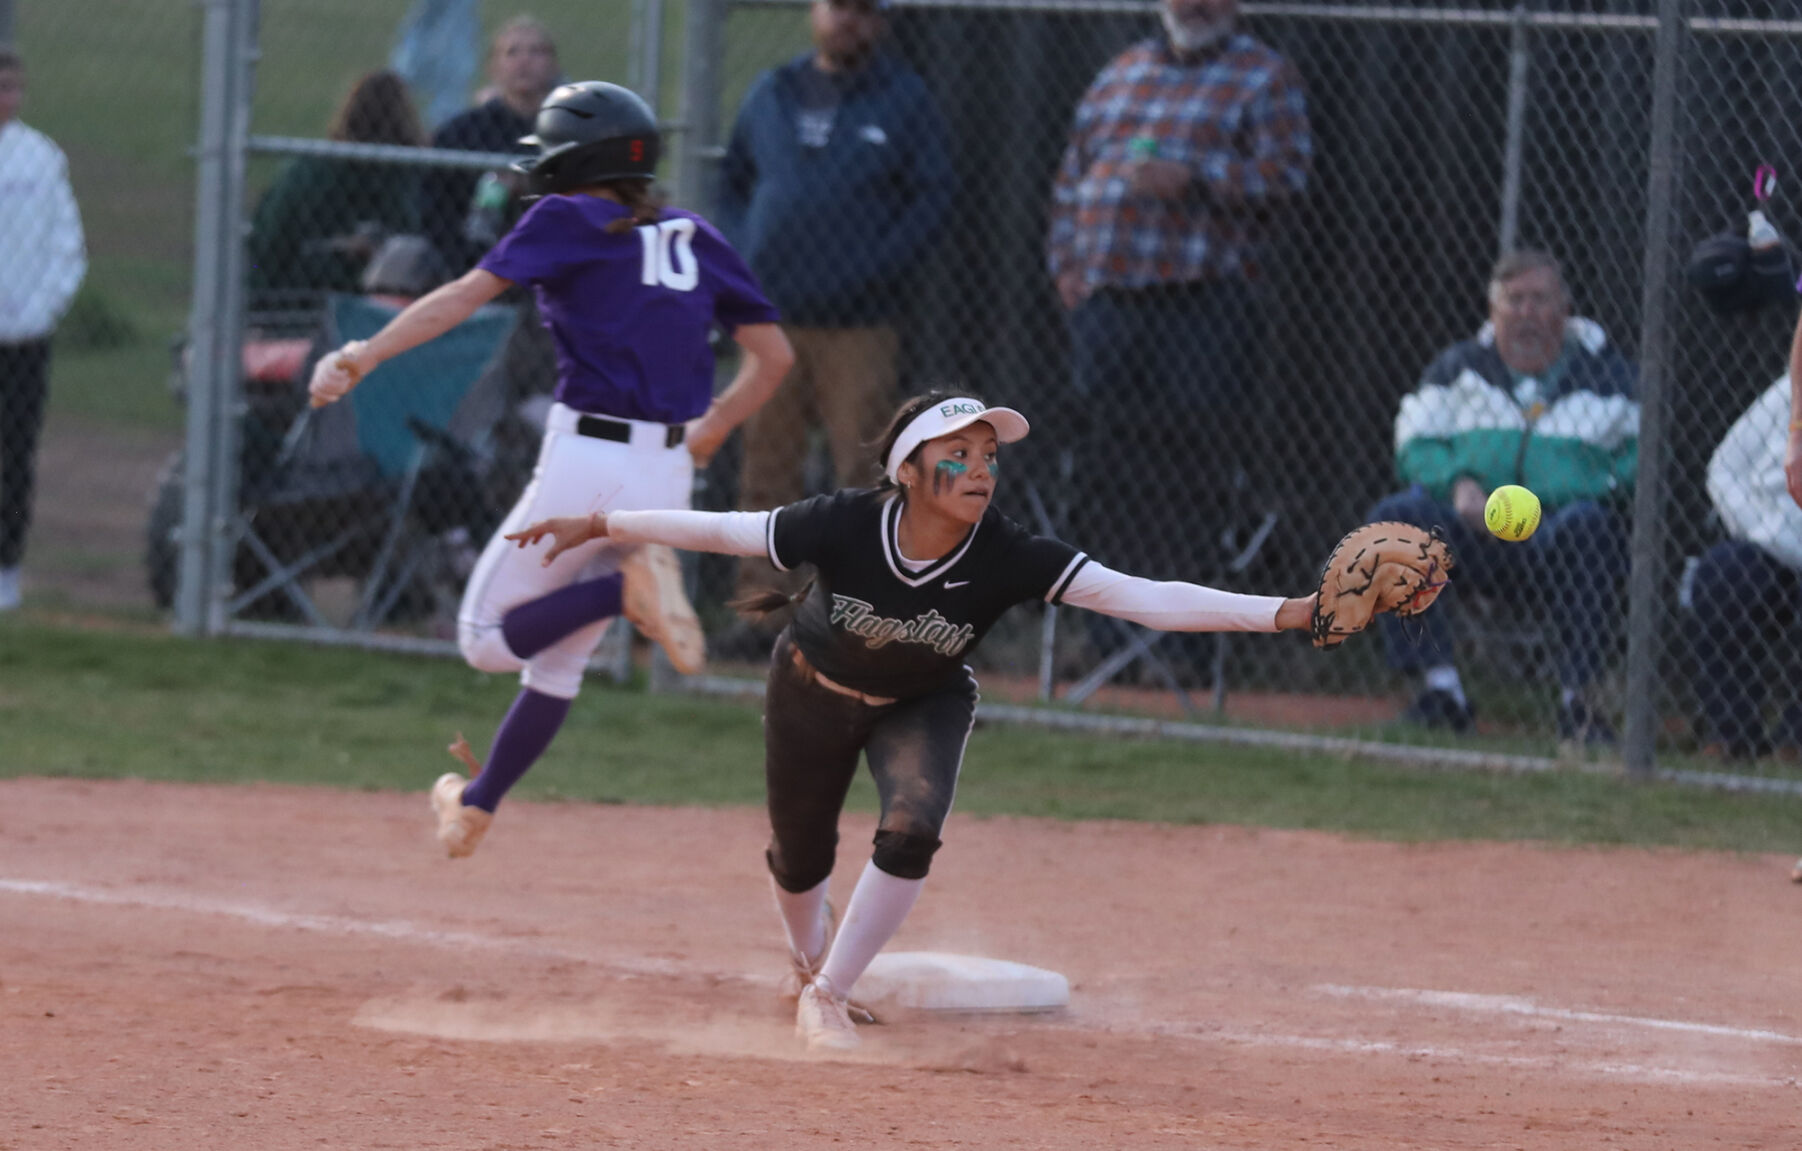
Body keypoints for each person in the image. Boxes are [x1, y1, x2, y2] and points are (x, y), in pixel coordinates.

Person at [502, 389, 1323, 1052]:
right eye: (957, 454)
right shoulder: (846, 521)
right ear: (907, 469)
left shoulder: (1008, 553)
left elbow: (1148, 599)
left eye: (989, 455)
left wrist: (1292, 610)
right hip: (810, 686)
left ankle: (828, 994)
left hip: (923, 700)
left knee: (911, 828)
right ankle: (807, 964)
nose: (980, 469)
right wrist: (602, 524)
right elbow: (725, 531)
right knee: (799, 857)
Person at [308, 82, 794, 856]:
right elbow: (774, 358)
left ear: (575, 161)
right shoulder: (693, 233)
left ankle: (624, 589)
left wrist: (363, 353)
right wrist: (708, 433)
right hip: (668, 475)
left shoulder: (566, 216)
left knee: (483, 637)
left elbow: (461, 297)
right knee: (558, 667)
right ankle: (475, 804)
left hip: (587, 461)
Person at [1045, 0, 1311, 678]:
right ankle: (1106, 638)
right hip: (1109, 307)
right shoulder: (1121, 72)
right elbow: (1072, 179)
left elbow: (1287, 178)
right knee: (1105, 472)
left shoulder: (1263, 76)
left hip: (1202, 307)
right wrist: (1068, 267)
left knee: (1189, 477)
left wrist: (1195, 181)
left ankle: (1181, 646)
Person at [714, 0, 954, 651]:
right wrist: (744, 256)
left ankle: (858, 620)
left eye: (863, 11)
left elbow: (933, 196)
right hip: (773, 323)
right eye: (837, 7)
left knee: (863, 473)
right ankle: (762, 618)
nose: (848, 21)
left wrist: (877, 267)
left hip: (860, 322)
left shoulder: (903, 99)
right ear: (815, 13)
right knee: (767, 470)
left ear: (882, 24)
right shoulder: (773, 91)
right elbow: (732, 180)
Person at [1369, 250, 1638, 744]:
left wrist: (1575, 488)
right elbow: (1414, 443)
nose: (1526, 313)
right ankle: (1440, 692)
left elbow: (1642, 459)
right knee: (1397, 518)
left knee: (1592, 525)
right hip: (1472, 533)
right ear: (1493, 310)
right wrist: (1458, 485)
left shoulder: (1612, 376)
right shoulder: (1457, 369)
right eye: (1514, 300)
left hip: (1560, 533)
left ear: (1565, 308)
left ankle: (1579, 705)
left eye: (1539, 299)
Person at [0, 46, 87, 613]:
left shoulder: (39, 156)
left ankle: (6, 569)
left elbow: (67, 244)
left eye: (13, 87)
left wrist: (42, 307)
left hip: (25, 336)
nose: (6, 98)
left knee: (15, 454)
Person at [1689, 374, 1802, 764]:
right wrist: (1767, 530)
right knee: (1722, 574)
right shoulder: (1790, 391)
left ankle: (1795, 737)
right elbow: (1724, 469)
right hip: (1771, 544)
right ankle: (1732, 733)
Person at [246, 71, 425, 298]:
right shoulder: (318, 172)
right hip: (300, 290)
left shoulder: (309, 168)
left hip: (283, 291)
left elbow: (262, 245)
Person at [420, 16, 561, 272]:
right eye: (512, 52)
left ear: (553, 66)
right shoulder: (461, 132)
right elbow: (435, 207)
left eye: (536, 51)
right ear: (493, 68)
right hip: (471, 259)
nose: (524, 61)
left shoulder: (565, 129)